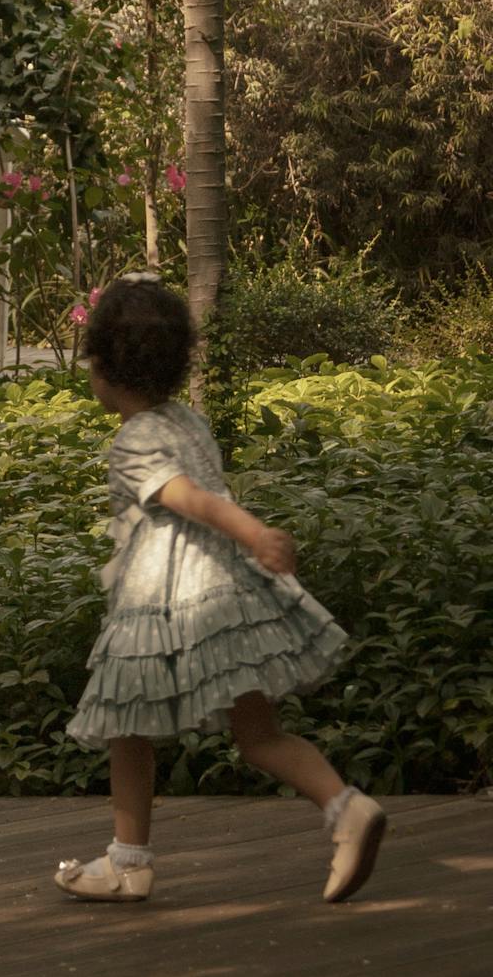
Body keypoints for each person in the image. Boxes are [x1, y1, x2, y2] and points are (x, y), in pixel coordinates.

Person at [54, 274, 385, 906]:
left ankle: (129, 862)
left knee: (127, 724)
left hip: (170, 603)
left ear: (104, 368)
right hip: (232, 596)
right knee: (258, 735)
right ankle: (345, 807)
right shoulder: (189, 422)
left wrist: (255, 530)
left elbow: (189, 498)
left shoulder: (133, 440)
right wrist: (250, 542)